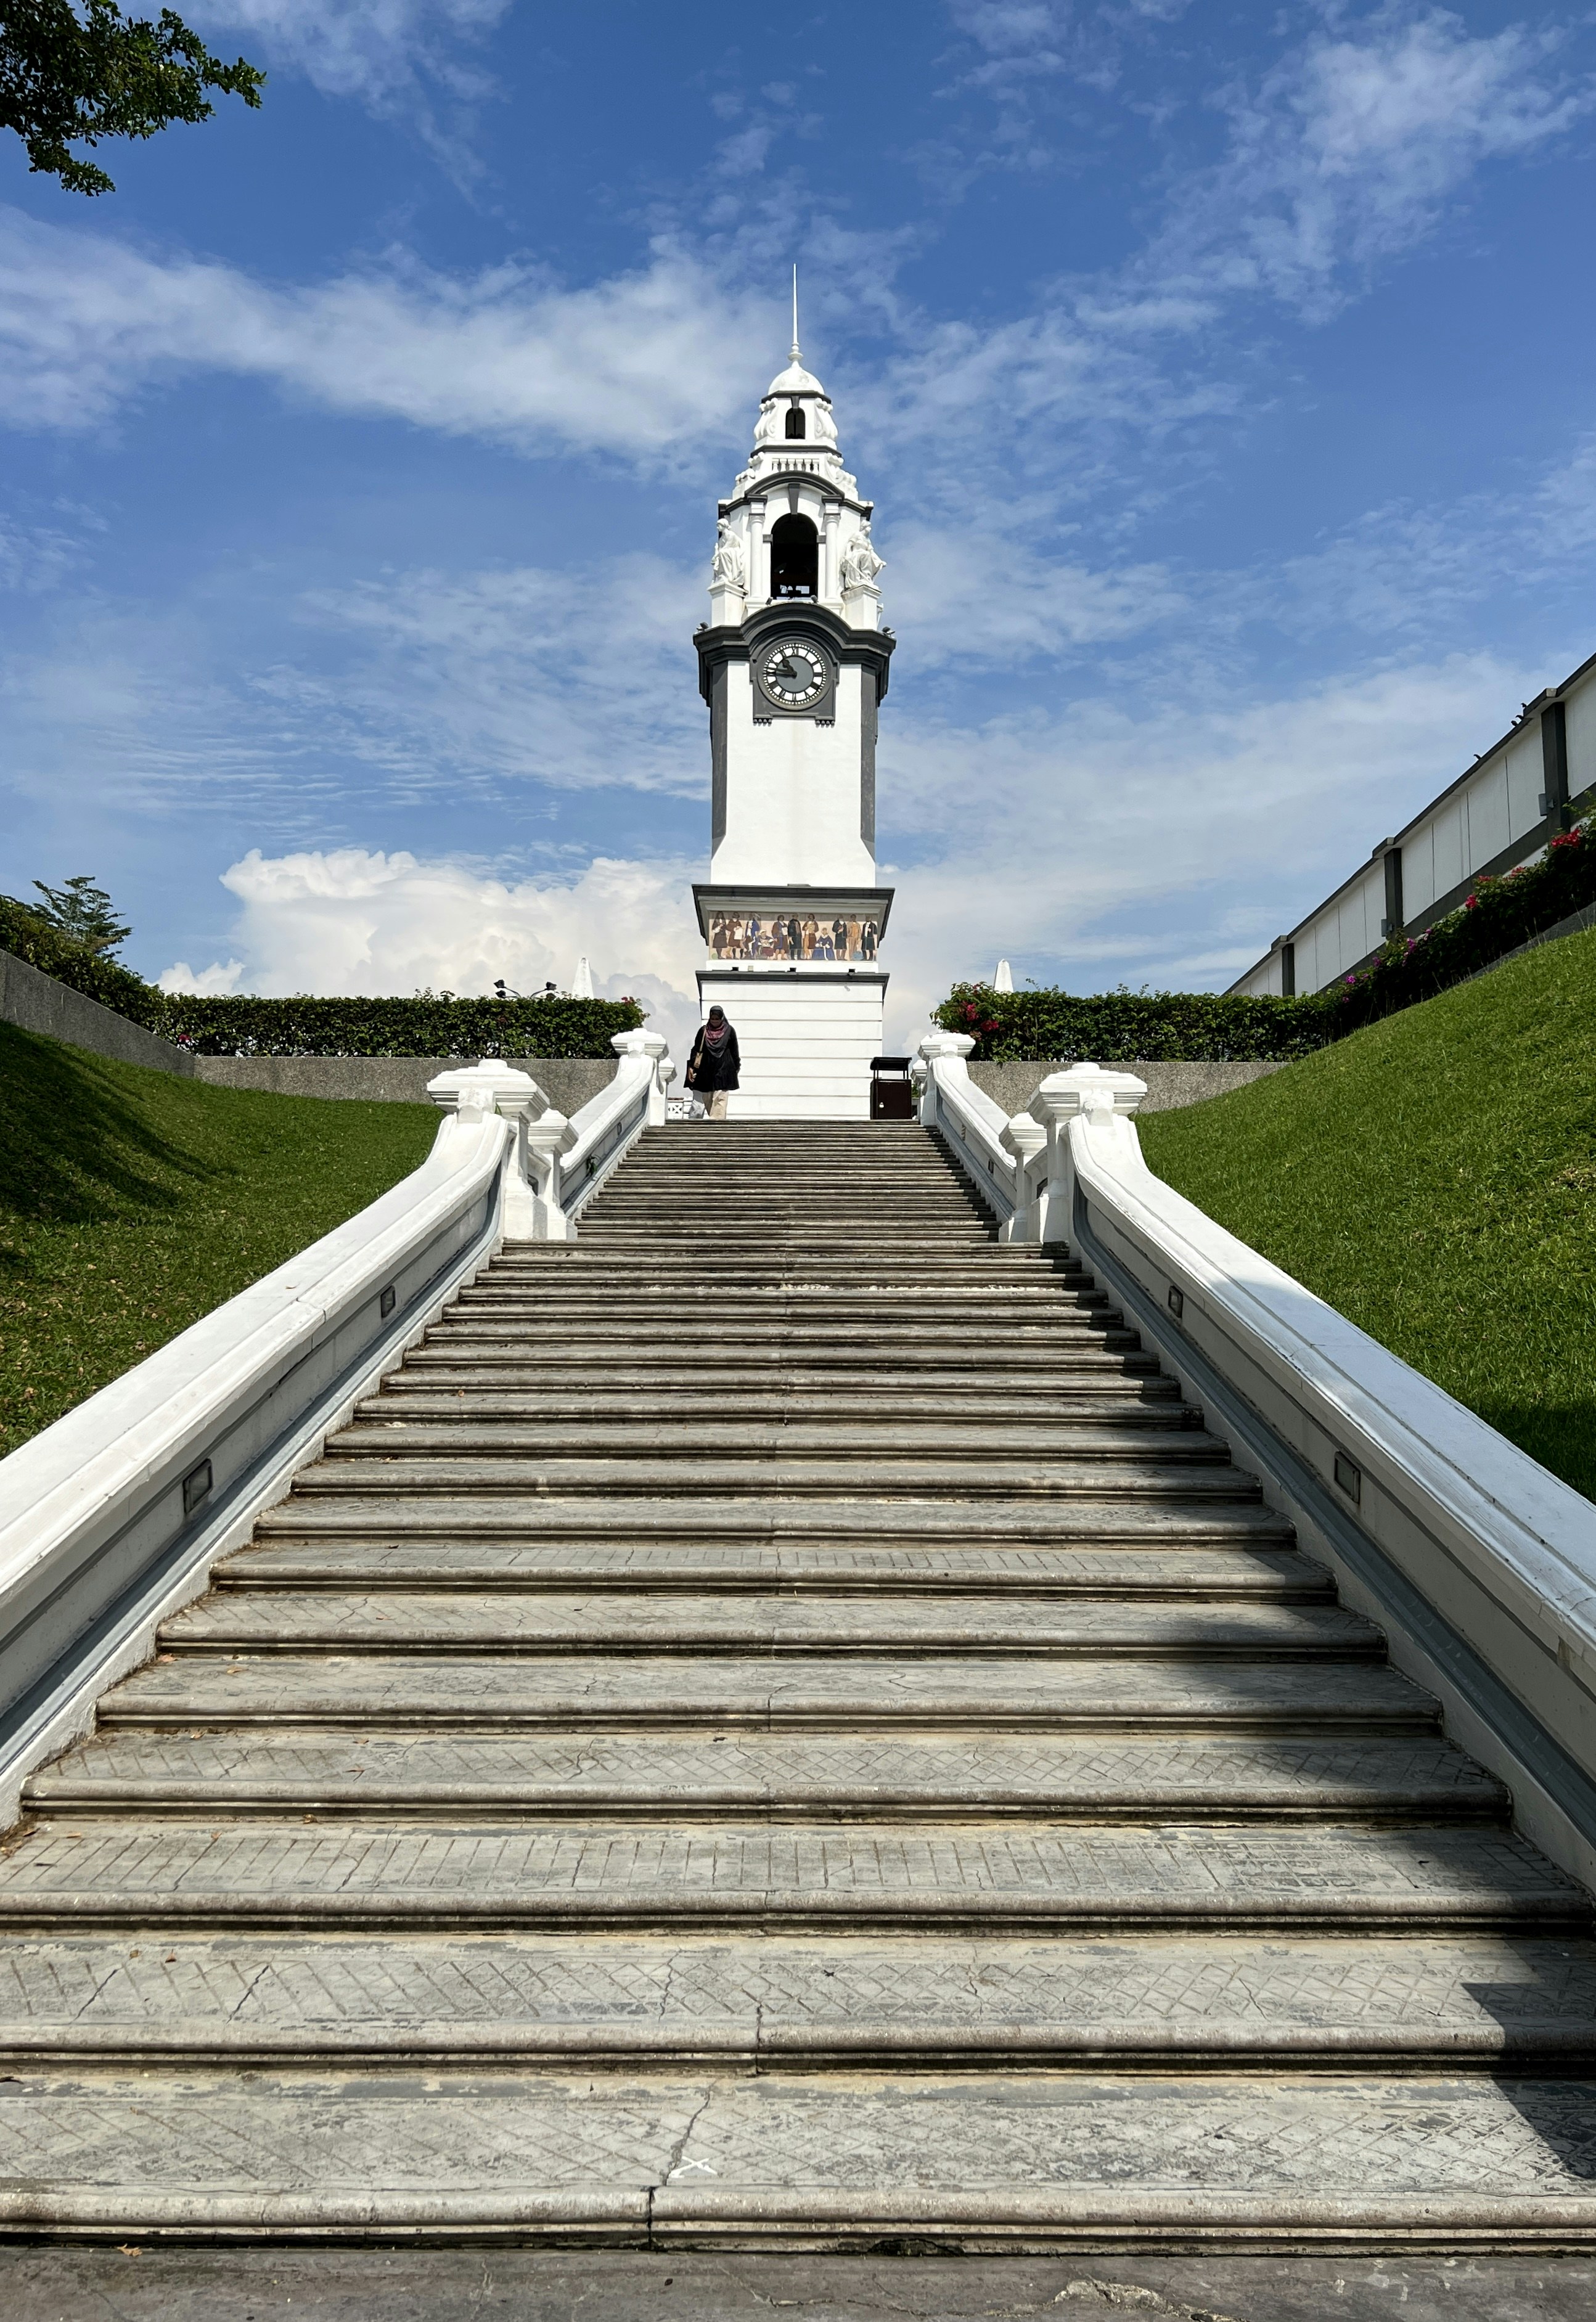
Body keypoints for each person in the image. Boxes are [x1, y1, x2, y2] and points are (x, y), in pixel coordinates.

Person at [684, 1005, 740, 1120]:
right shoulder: (704, 1031)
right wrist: (691, 1066)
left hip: (724, 1069)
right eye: (713, 1019)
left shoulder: (729, 1031)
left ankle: (717, 1125)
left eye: (717, 1019)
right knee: (707, 1098)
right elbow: (696, 1049)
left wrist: (736, 1067)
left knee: (720, 1098)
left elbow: (735, 1051)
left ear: (722, 1018)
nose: (715, 1022)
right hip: (706, 1070)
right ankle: (711, 1120)